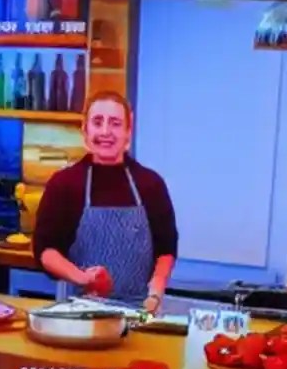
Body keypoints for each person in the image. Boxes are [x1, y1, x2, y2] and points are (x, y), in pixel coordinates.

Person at [32, 91, 178, 313]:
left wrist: (155, 295)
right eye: (97, 122)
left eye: (116, 123)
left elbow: (166, 250)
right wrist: (84, 278)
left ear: (128, 132)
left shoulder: (151, 184)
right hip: (79, 312)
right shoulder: (63, 184)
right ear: (85, 130)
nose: (105, 132)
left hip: (140, 312)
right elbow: (45, 250)